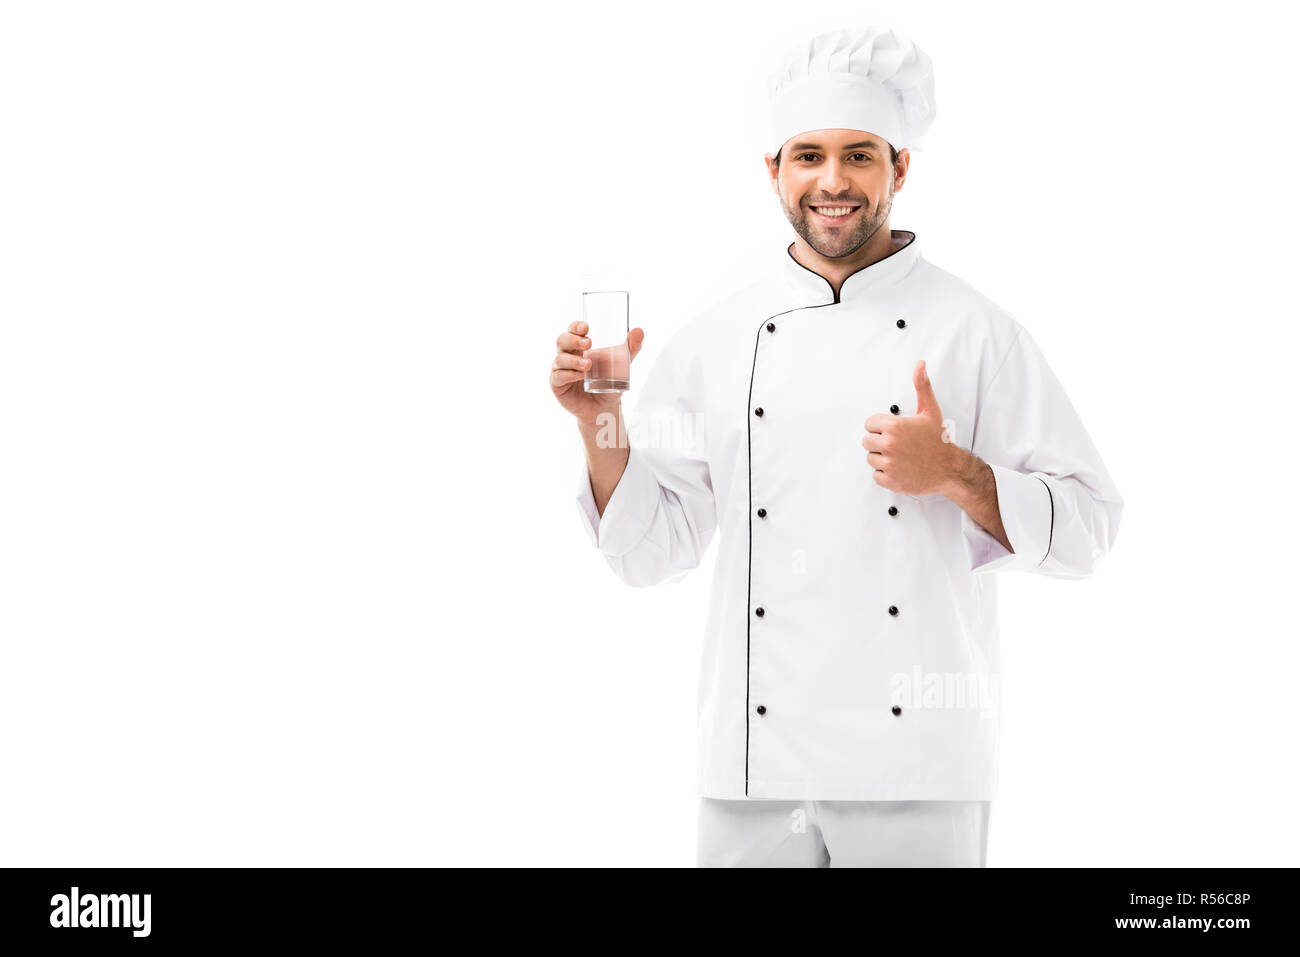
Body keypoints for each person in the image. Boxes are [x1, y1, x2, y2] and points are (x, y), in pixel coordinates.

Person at [550, 25, 1123, 867]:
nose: (833, 181)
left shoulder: (976, 333)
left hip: (919, 769)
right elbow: (651, 553)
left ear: (901, 168)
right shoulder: (715, 338)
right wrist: (598, 421)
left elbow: (1091, 529)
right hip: (749, 765)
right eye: (808, 154)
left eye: (860, 155)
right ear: (773, 171)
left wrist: (958, 473)